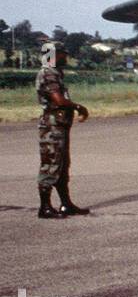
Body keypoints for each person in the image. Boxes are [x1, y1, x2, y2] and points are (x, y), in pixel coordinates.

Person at [35, 41, 90, 218]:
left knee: (62, 165)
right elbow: (58, 100)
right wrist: (79, 107)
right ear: (54, 54)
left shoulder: (56, 73)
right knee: (50, 165)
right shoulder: (48, 73)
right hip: (52, 127)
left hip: (60, 126)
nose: (65, 56)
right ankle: (45, 207)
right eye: (63, 53)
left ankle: (66, 204)